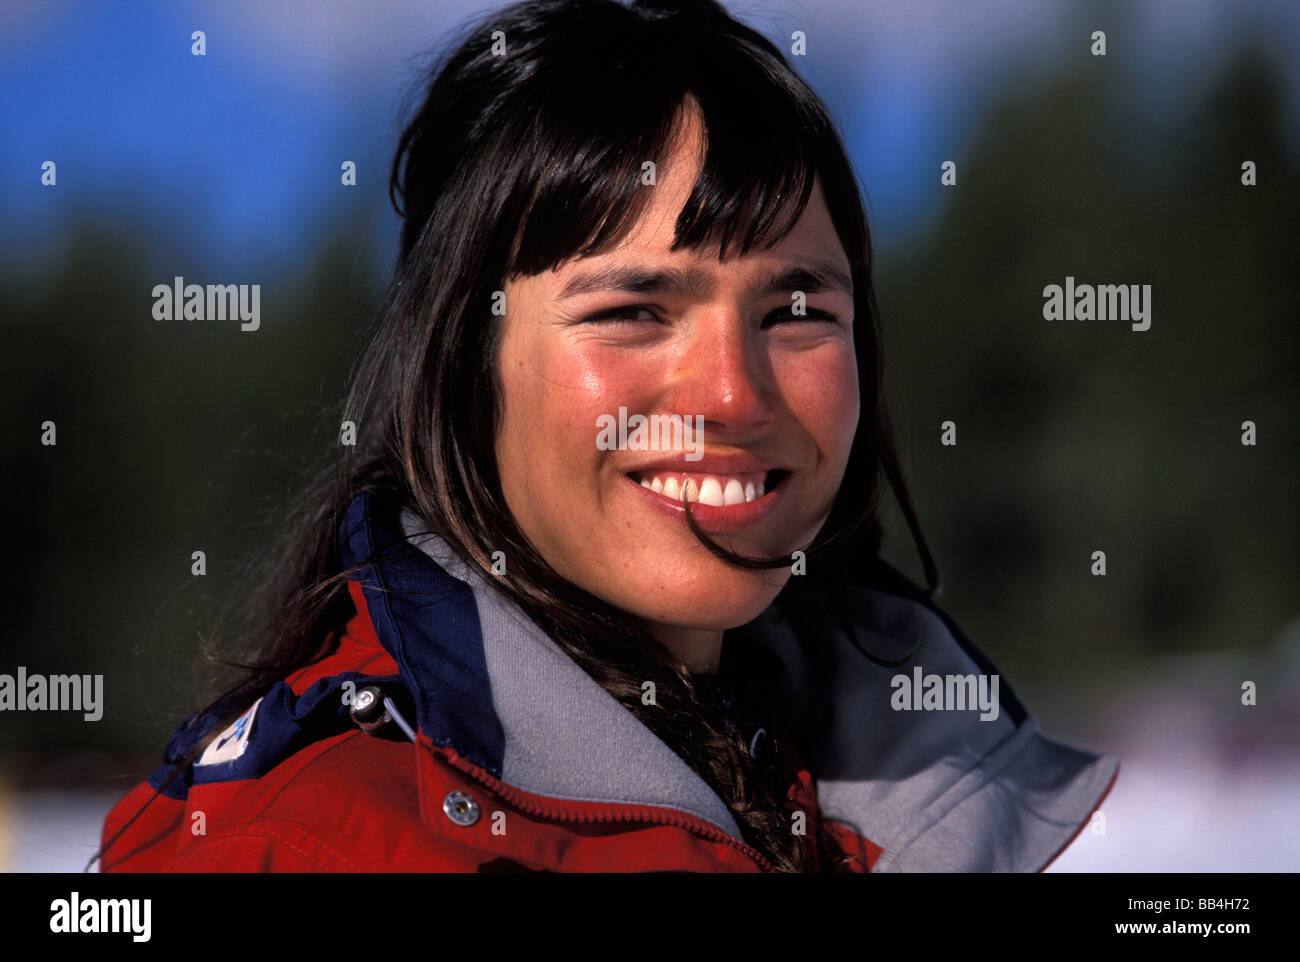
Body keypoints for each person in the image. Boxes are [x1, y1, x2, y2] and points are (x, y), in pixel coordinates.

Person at [98, 0, 1117, 873]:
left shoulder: (893, 781)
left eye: (796, 309)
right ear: (463, 361)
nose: (731, 392)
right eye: (632, 309)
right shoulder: (297, 842)